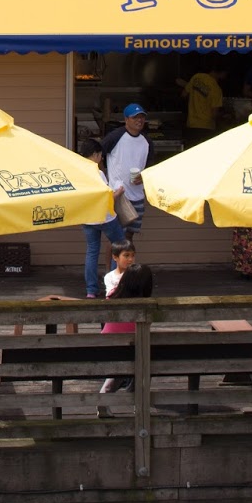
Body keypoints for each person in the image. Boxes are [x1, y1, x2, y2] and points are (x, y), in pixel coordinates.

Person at [77, 138, 128, 298]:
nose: (101, 159)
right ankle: (113, 286)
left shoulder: (77, 172)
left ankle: (91, 290)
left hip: (87, 217)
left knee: (92, 251)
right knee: (119, 247)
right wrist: (118, 192)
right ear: (94, 155)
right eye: (100, 155)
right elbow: (107, 197)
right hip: (105, 218)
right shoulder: (97, 173)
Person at [99, 263, 154, 398]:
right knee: (144, 361)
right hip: (132, 350)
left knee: (125, 364)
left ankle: (104, 396)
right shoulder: (146, 305)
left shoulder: (112, 295)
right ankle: (136, 396)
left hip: (105, 347)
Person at [100, 104, 151, 240]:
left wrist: (144, 176)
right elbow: (97, 153)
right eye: (135, 117)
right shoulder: (116, 136)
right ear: (126, 119)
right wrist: (103, 176)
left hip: (138, 194)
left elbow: (151, 167)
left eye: (142, 117)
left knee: (130, 234)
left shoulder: (147, 141)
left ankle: (126, 261)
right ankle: (111, 262)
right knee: (116, 236)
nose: (139, 120)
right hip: (119, 194)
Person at [179, 66, 226, 146]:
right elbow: (214, 114)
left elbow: (183, 95)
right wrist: (224, 115)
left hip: (191, 124)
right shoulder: (216, 89)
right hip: (206, 127)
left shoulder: (197, 77)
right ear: (222, 73)